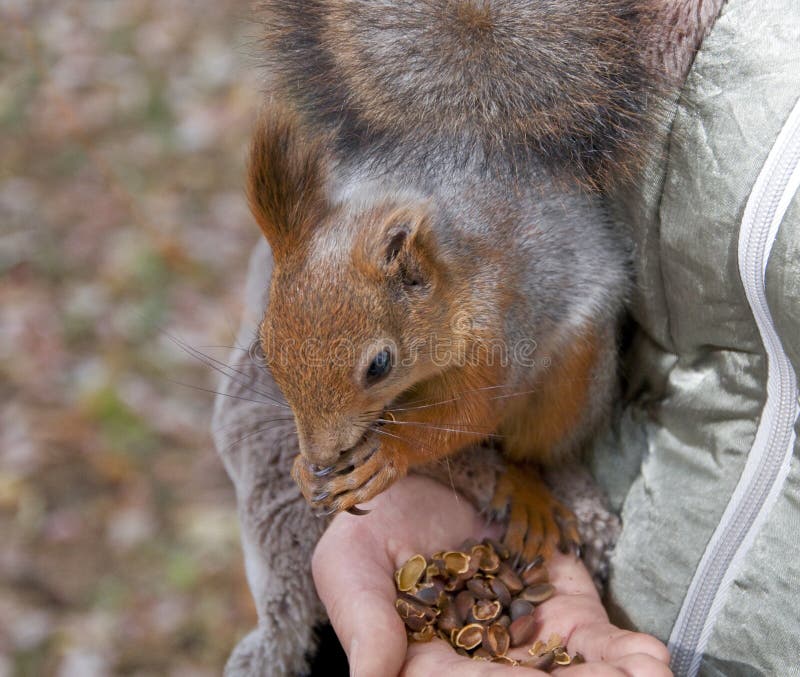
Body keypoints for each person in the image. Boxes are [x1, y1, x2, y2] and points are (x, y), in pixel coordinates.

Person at [213, 1, 800, 675]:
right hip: (566, 569)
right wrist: (320, 465)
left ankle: (524, 467)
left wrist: (399, 450)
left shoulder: (472, 307)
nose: (321, 446)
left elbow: (483, 398)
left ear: (414, 270)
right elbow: (311, 321)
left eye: (376, 366)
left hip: (551, 378)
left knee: (557, 364)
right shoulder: (341, 234)